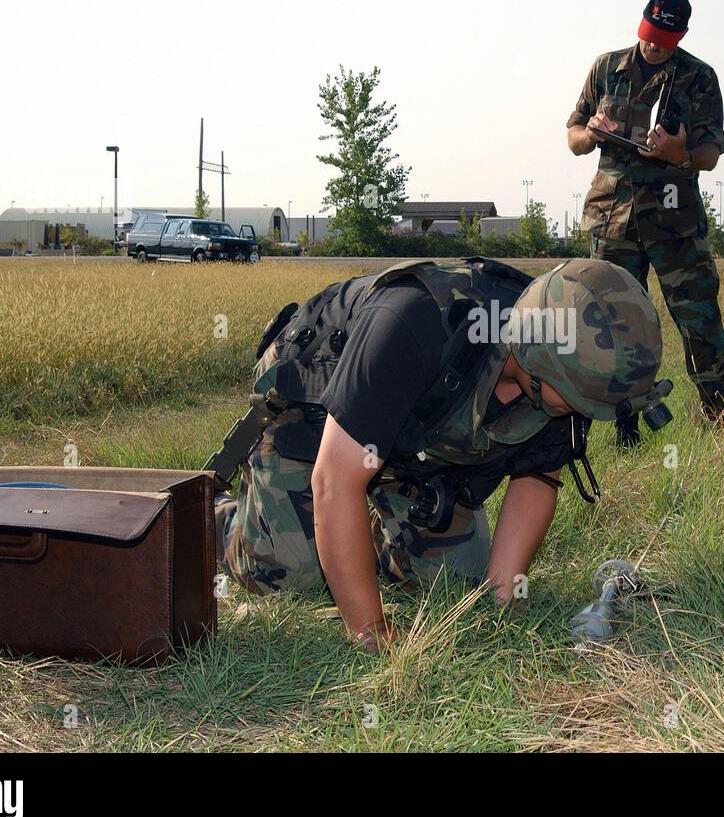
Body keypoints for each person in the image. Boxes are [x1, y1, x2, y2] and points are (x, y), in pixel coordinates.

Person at [206, 257, 672, 648]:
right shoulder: (413, 323)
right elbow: (334, 480)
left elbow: (538, 474)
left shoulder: (569, 364)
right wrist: (372, 633)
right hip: (312, 413)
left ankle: (346, 538)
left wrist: (503, 601)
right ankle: (213, 515)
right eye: (580, 402)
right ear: (535, 364)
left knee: (452, 582)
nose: (583, 413)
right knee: (288, 571)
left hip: (413, 447)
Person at [566, 0, 724, 448]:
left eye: (664, 39)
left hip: (674, 223)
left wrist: (679, 153)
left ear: (681, 35)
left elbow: (711, 153)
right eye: (648, 35)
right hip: (612, 220)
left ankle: (722, 417)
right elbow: (572, 136)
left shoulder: (700, 78)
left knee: (699, 319)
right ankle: (623, 425)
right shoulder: (607, 67)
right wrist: (592, 132)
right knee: (613, 324)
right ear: (640, 23)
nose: (653, 45)